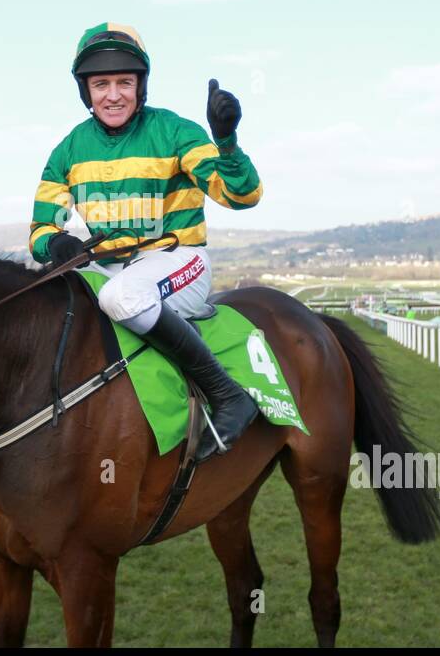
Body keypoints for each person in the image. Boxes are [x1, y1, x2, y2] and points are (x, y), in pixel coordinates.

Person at [28, 23, 264, 463]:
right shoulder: (68, 151)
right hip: (109, 266)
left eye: (124, 82)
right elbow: (42, 230)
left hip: (178, 260)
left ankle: (229, 395)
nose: (113, 95)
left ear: (141, 86)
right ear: (86, 91)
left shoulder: (175, 131)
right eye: (101, 84)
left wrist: (227, 142)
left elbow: (241, 196)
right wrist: (57, 244)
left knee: (122, 296)